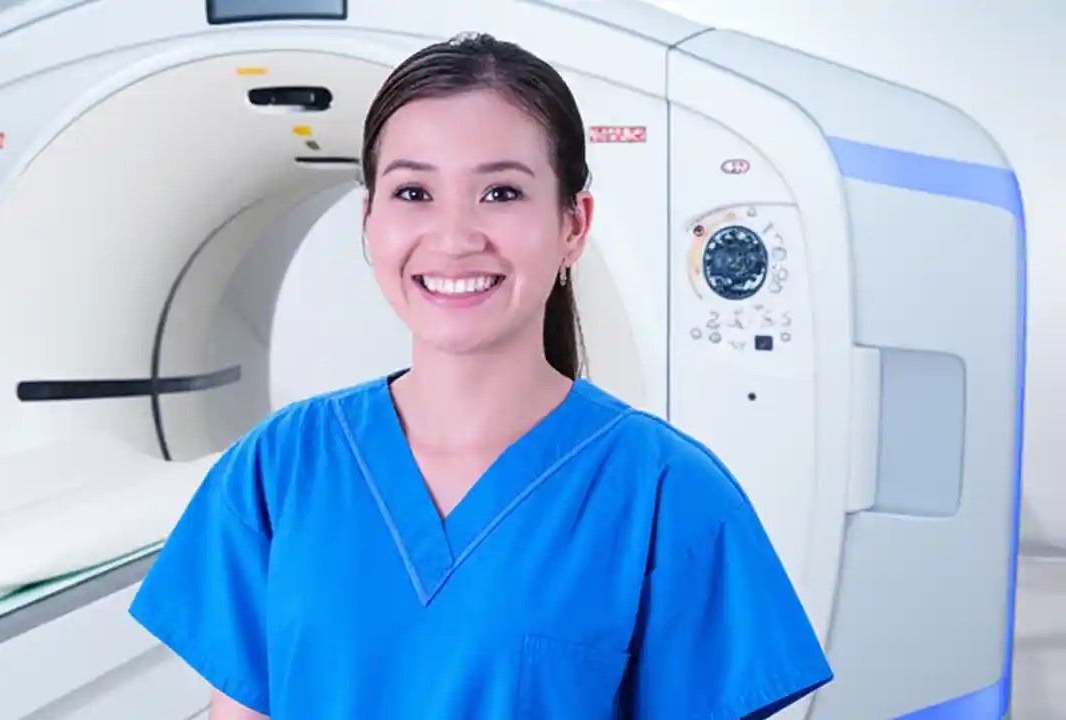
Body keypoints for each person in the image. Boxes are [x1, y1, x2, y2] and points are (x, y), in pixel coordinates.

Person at [128, 32, 833, 720]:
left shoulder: (664, 491)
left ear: (573, 224)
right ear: (370, 220)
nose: (456, 237)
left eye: (500, 193)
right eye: (413, 194)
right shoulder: (277, 468)